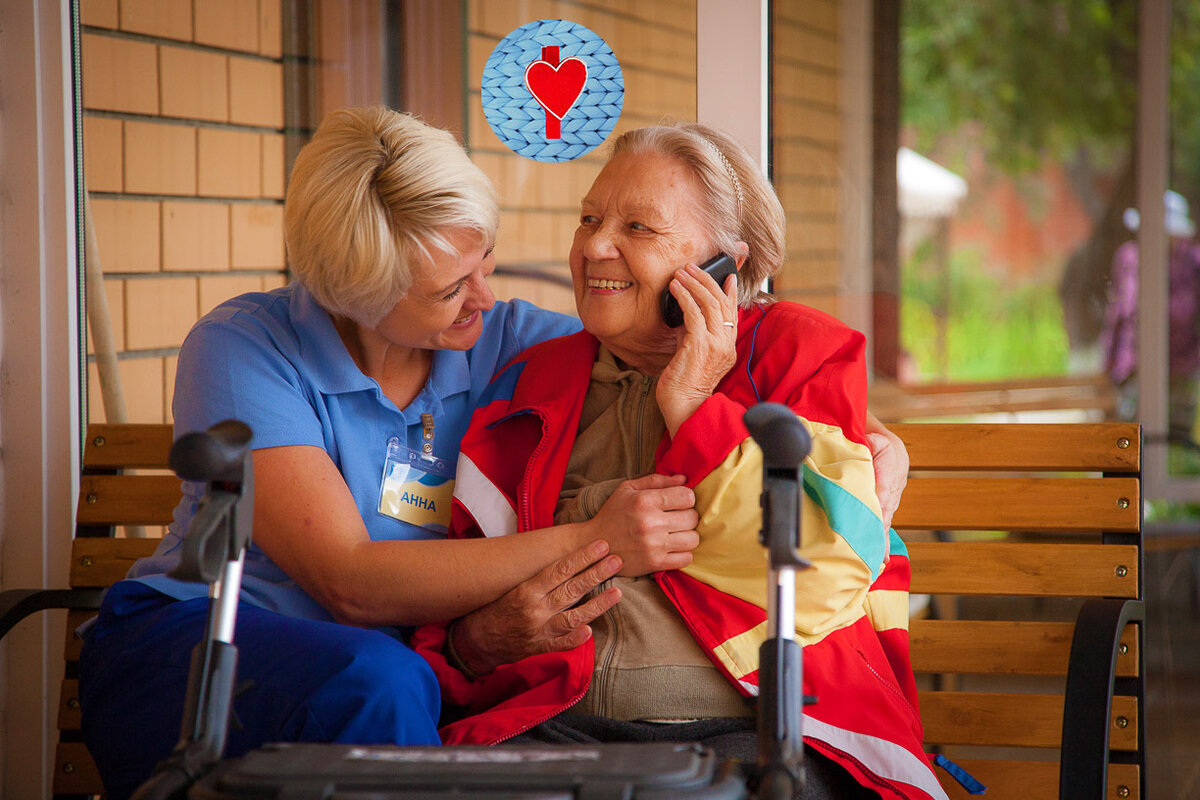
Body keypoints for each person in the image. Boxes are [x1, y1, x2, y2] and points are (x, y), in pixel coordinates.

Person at [78, 106, 910, 799]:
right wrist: (602, 541)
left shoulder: (510, 343)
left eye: (486, 263)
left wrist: (872, 461)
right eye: (450, 290)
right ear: (355, 297)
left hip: (413, 675)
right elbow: (349, 582)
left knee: (401, 687)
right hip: (218, 644)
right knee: (385, 683)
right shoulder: (246, 345)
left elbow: (647, 344)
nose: (489, 296)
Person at [413, 122, 945, 800]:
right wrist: (480, 640)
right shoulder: (528, 385)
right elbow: (464, 614)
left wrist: (692, 401)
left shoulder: (796, 355)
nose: (596, 246)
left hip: (767, 734)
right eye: (589, 219)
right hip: (555, 730)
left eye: (639, 227)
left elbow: (821, 577)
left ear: (728, 263)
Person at [1102, 189, 1200, 447]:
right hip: (1134, 365)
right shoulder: (1129, 256)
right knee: (1129, 439)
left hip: (1180, 364)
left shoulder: (1192, 261)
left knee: (1177, 437)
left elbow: (1187, 312)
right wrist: (1110, 361)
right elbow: (1118, 310)